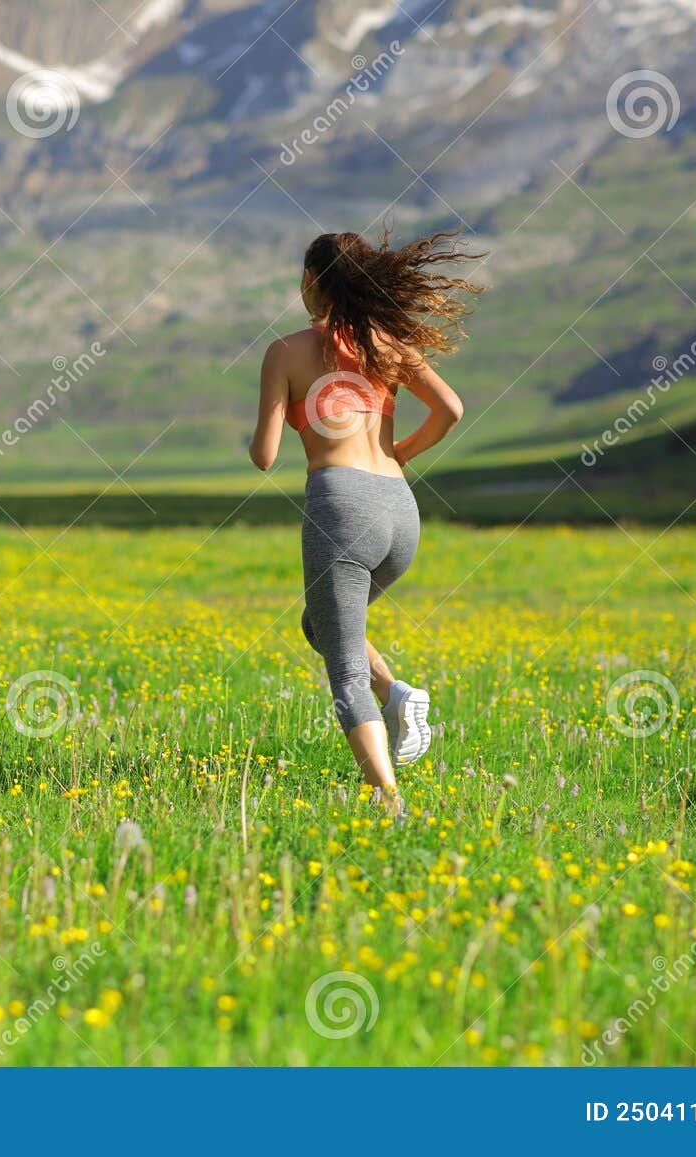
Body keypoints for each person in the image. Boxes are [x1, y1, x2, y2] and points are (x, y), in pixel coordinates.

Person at [248, 229, 482, 814]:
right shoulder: (389, 345)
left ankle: (389, 802)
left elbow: (265, 455)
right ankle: (398, 694)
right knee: (321, 626)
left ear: (310, 284)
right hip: (400, 510)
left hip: (340, 505)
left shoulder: (285, 351)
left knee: (345, 670)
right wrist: (399, 453)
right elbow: (450, 409)